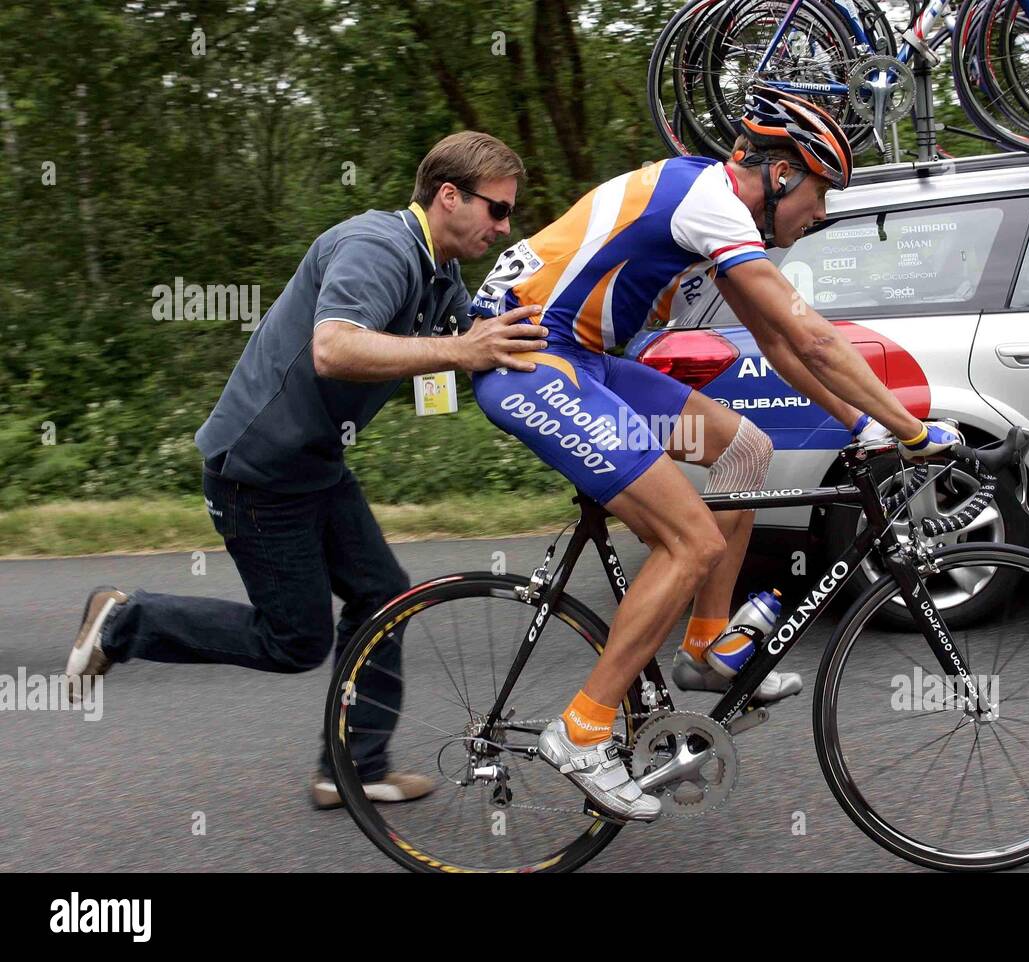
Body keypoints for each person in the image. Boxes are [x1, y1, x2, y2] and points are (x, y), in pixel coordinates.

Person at [469, 88, 959, 821]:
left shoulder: (713, 208)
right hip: (533, 362)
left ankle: (705, 647)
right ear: (785, 175)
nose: (821, 215)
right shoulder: (712, 202)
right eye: (822, 193)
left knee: (745, 449)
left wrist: (861, 423)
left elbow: (778, 341)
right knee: (690, 537)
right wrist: (914, 431)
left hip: (583, 361)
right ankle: (583, 731)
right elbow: (815, 335)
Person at [66, 131, 548, 809]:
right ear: (449, 197)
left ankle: (351, 766)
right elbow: (335, 347)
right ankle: (125, 622)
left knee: (383, 593)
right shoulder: (377, 248)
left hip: (315, 464)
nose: (504, 226)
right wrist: (459, 351)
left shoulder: (439, 275)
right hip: (257, 473)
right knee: (294, 640)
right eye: (497, 210)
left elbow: (476, 349)